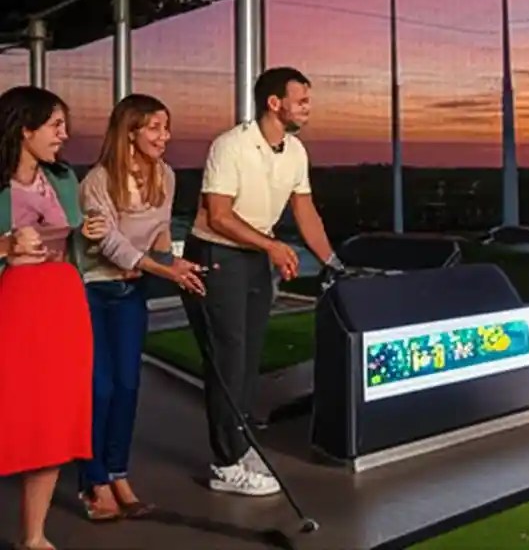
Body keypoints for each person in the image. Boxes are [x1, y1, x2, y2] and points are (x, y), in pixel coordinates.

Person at [180, 66, 341, 496]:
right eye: (301, 100)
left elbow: (305, 211)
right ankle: (226, 464)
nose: (308, 107)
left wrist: (332, 262)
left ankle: (239, 442)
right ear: (275, 103)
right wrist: (272, 247)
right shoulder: (230, 146)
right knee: (228, 358)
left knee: (248, 359)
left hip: (253, 258)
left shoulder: (294, 152)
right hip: (216, 255)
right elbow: (219, 215)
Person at [76, 94, 207, 521]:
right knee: (101, 389)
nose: (164, 136)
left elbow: (161, 232)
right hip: (94, 293)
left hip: (132, 294)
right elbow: (110, 244)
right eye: (154, 127)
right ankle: (94, 481)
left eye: (166, 127)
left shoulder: (165, 176)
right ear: (129, 131)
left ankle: (118, 473)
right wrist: (159, 269)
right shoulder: (96, 181)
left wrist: (174, 265)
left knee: (129, 387)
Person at [0, 86, 108, 550]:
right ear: (25, 130)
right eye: (55, 126)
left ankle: (34, 536)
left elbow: (74, 245)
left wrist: (90, 233)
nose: (64, 135)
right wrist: (6, 246)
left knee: (52, 418)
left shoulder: (63, 179)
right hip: (14, 306)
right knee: (13, 413)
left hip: (63, 302)